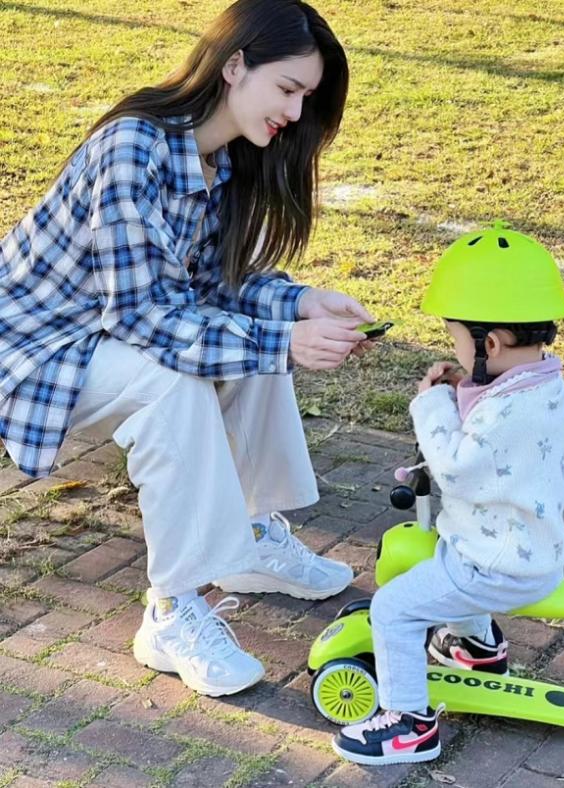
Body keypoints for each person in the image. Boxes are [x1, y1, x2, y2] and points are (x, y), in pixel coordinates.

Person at [0, 0, 377, 697]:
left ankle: (250, 537)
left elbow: (217, 288)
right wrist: (284, 339)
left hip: (104, 334)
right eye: (288, 89)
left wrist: (299, 304)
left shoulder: (221, 162)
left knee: (250, 348)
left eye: (305, 98)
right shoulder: (132, 147)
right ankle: (172, 611)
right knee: (178, 378)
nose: (295, 114)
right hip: (36, 351)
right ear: (235, 65)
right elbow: (147, 318)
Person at [333, 221, 564, 765]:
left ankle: (409, 725)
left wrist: (432, 404)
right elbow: (498, 438)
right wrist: (463, 388)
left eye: (458, 341)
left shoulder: (509, 407)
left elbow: (458, 469)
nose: (457, 352)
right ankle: (478, 649)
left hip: (497, 565)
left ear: (490, 344)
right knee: (443, 557)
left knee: (394, 607)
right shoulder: (539, 383)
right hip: (519, 546)